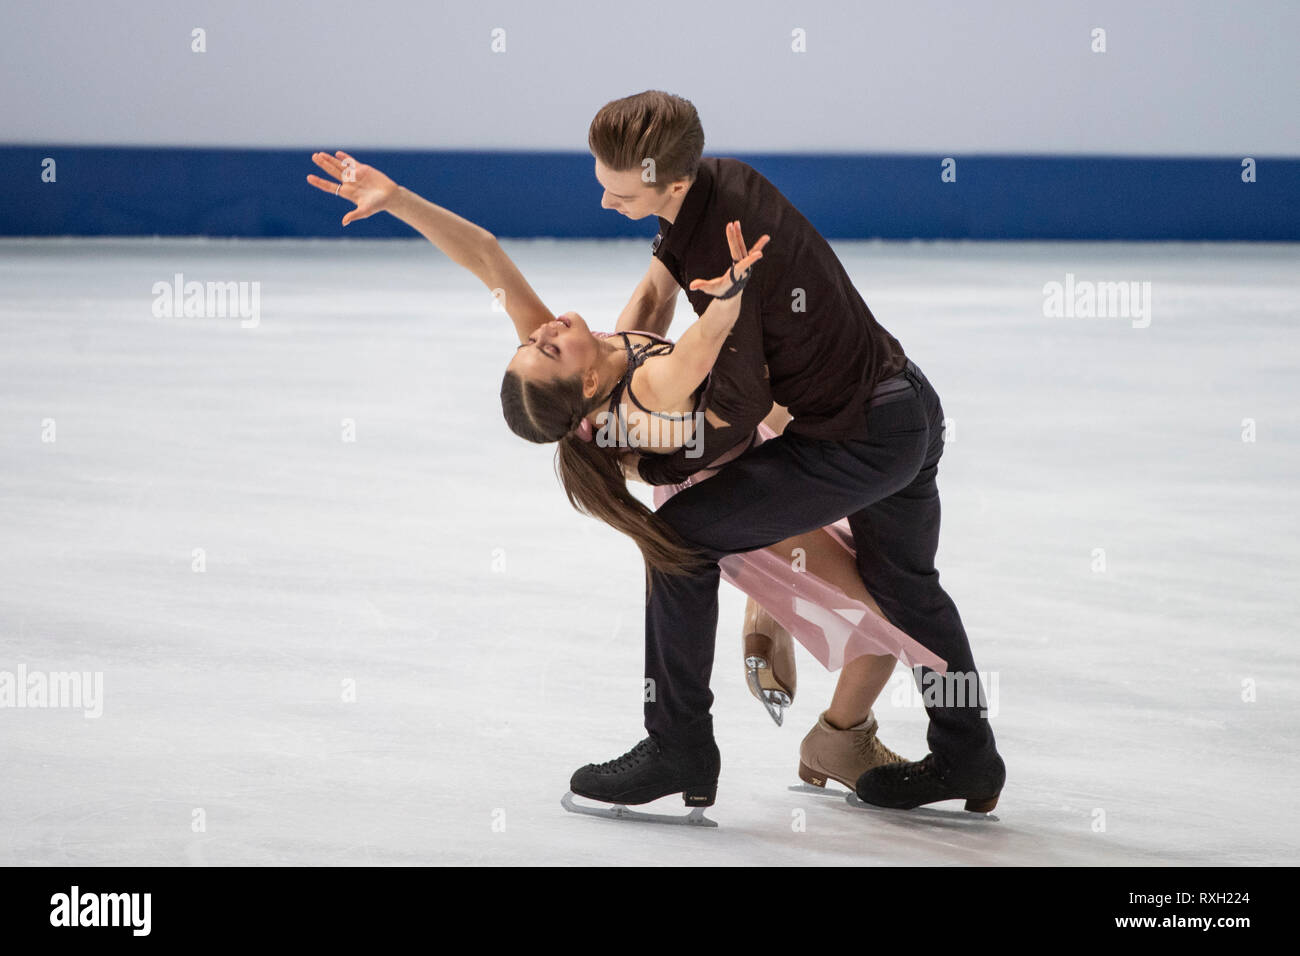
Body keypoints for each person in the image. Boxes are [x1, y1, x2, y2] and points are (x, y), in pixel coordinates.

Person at [305, 149, 937, 794]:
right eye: (544, 345)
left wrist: (398, 198)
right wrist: (725, 303)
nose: (540, 328)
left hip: (770, 450)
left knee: (869, 601)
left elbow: (489, 258)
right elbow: (694, 357)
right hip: (736, 490)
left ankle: (776, 634)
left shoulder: (582, 363)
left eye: (530, 339)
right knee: (880, 626)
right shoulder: (639, 400)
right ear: (582, 381)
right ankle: (838, 734)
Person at [569, 90, 1006, 813]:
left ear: (671, 183)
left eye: (621, 193)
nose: (607, 202)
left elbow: (736, 417)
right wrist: (627, 388)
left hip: (859, 438)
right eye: (600, 181)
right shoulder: (717, 185)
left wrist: (650, 465)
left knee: (676, 537)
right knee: (906, 587)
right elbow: (653, 299)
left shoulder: (728, 251)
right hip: (906, 406)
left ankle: (678, 744)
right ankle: (969, 756)